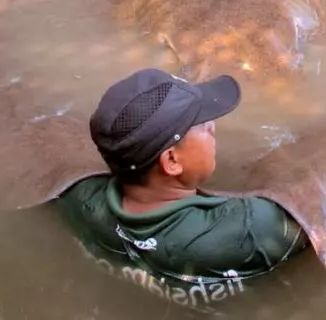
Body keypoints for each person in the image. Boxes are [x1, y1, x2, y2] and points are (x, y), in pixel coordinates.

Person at [56, 69, 307, 307]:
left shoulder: (79, 200)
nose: (212, 126)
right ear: (172, 161)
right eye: (200, 124)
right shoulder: (255, 228)